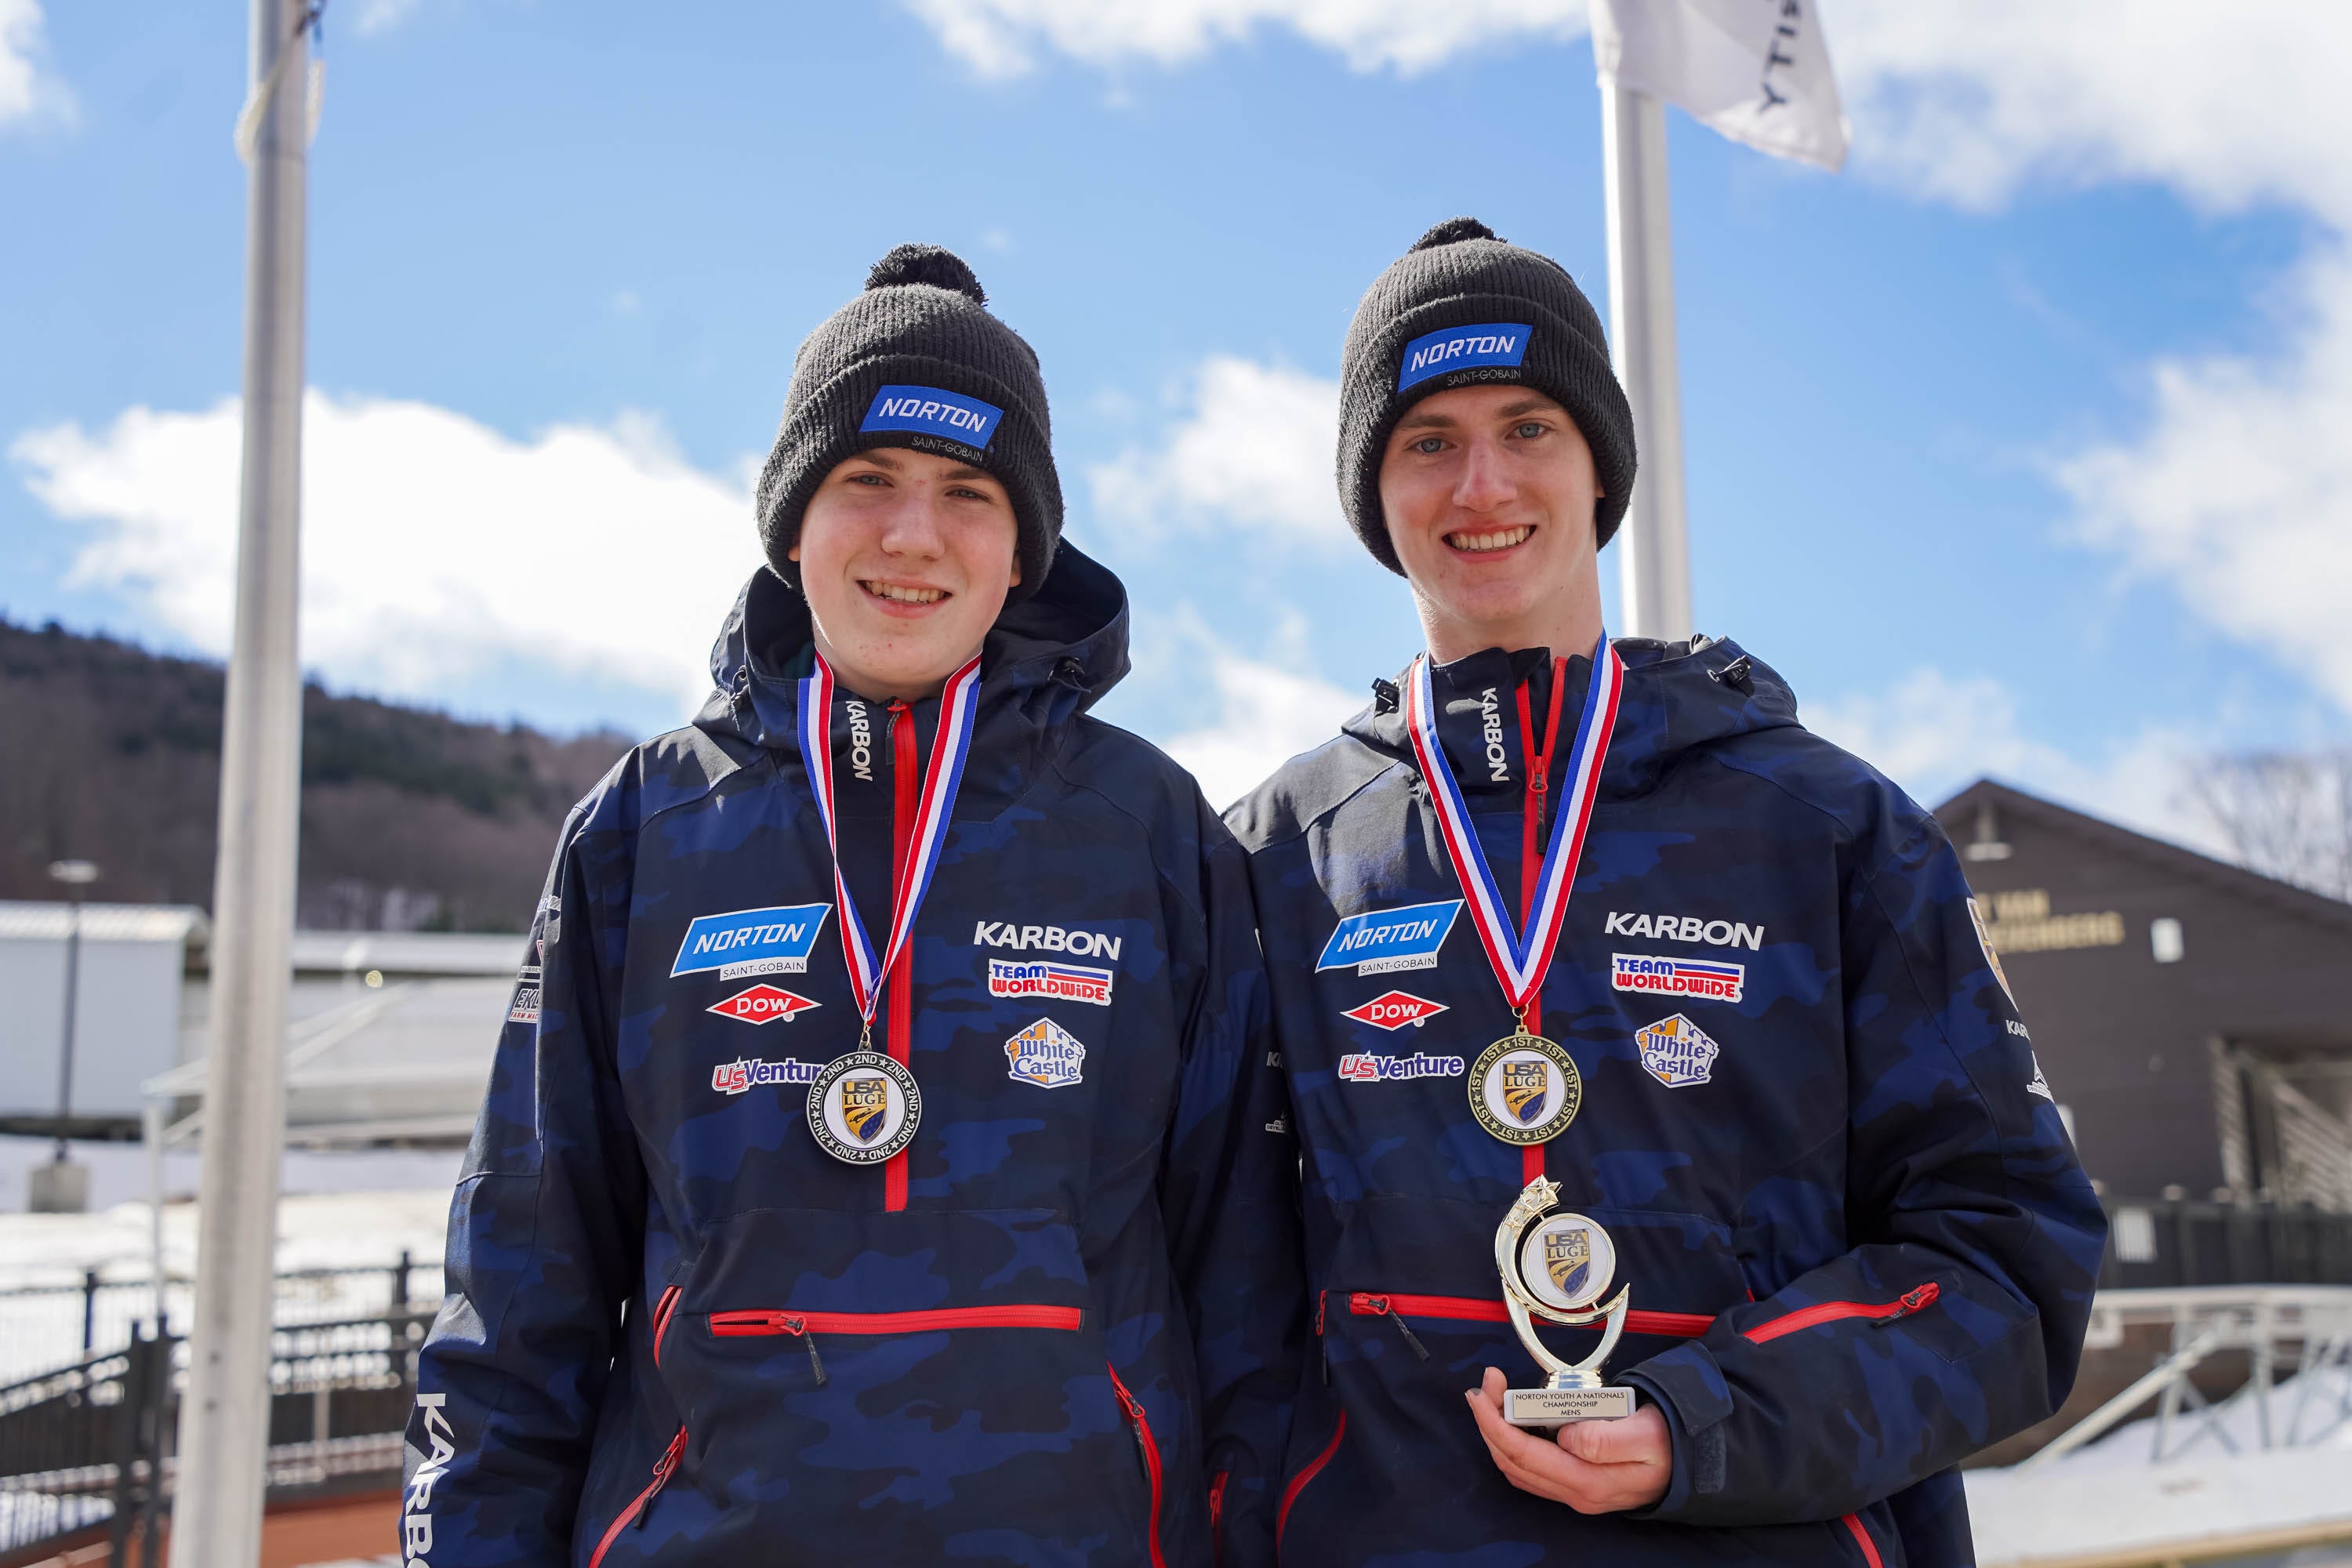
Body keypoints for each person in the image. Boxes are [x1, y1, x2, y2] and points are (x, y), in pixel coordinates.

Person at [1224, 217, 2106, 1566]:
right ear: (1374, 492)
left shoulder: (1823, 825)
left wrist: (1712, 1421)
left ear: (1598, 468)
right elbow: (1210, 1277)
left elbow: (2007, 1259)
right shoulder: (1277, 853)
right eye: (1427, 441)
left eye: (1529, 428)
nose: (1480, 483)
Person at [405, 245, 1300, 1567]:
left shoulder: (1150, 830)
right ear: (792, 523)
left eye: (967, 493)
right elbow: (520, 1279)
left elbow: (1245, 1281)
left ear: (1022, 552)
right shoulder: (649, 827)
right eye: (865, 482)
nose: (911, 534)